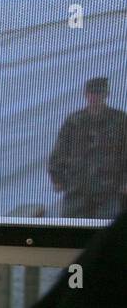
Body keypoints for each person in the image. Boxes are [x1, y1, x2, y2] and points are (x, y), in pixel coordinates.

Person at [47, 76, 127, 219]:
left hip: (109, 191)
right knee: (70, 232)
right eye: (91, 93)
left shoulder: (120, 120)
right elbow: (59, 152)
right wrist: (57, 178)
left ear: (106, 95)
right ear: (85, 94)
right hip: (77, 189)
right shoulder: (74, 121)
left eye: (99, 93)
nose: (94, 97)